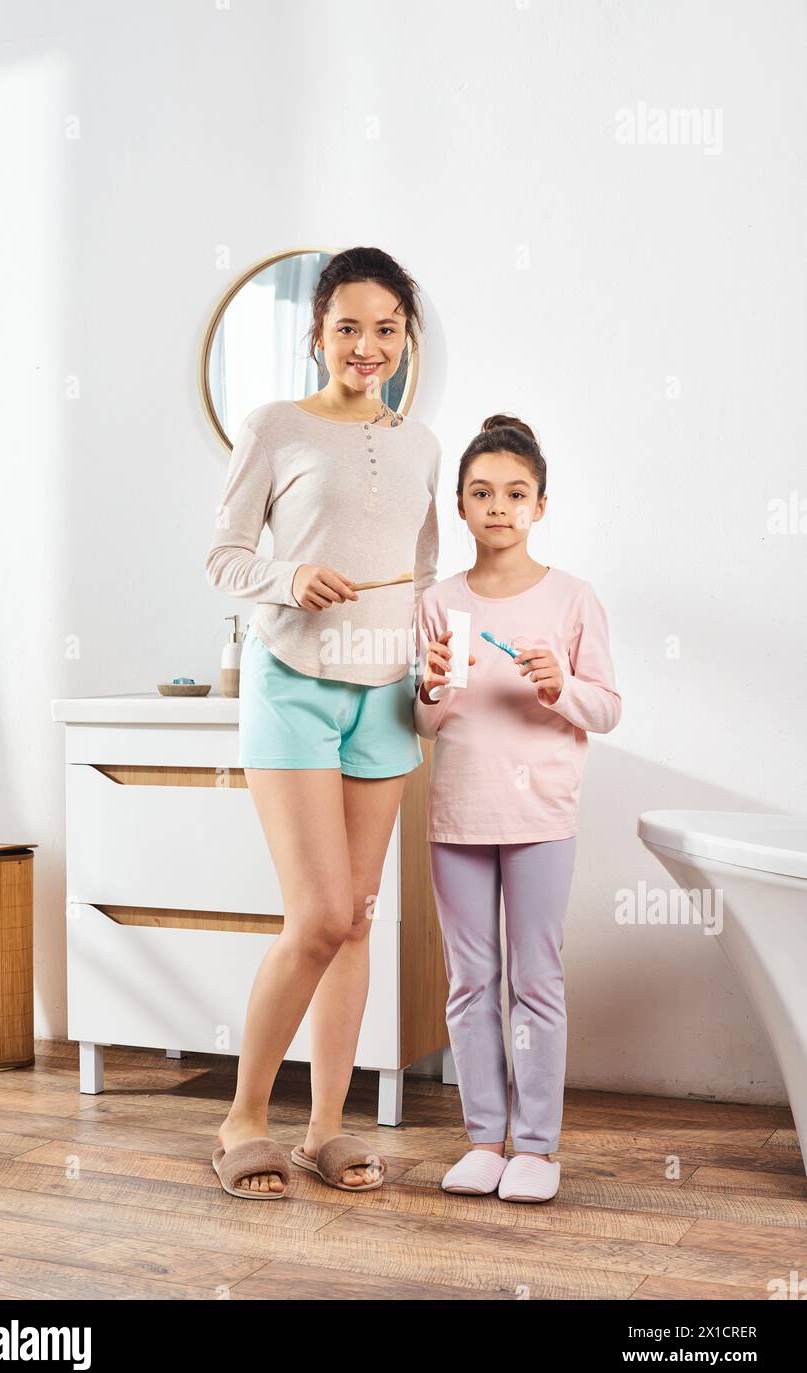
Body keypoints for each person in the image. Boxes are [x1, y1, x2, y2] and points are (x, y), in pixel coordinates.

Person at [205, 247, 441, 1198]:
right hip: (292, 682)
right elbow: (224, 557)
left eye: (385, 328)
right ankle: (240, 1121)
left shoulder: (422, 445)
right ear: (317, 334)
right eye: (348, 326)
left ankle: (326, 1129)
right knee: (318, 915)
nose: (366, 345)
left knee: (357, 921)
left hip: (385, 693)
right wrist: (289, 575)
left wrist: (437, 664)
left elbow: (423, 577)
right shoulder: (274, 426)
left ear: (404, 338)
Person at [413, 413, 622, 1203]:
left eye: (513, 492)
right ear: (459, 507)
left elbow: (606, 709)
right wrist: (432, 686)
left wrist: (559, 688)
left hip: (541, 820)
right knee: (470, 981)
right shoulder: (437, 602)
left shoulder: (573, 598)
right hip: (457, 816)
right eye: (480, 493)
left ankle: (534, 1147)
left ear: (539, 505)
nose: (497, 506)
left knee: (535, 980)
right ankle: (482, 1141)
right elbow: (424, 722)